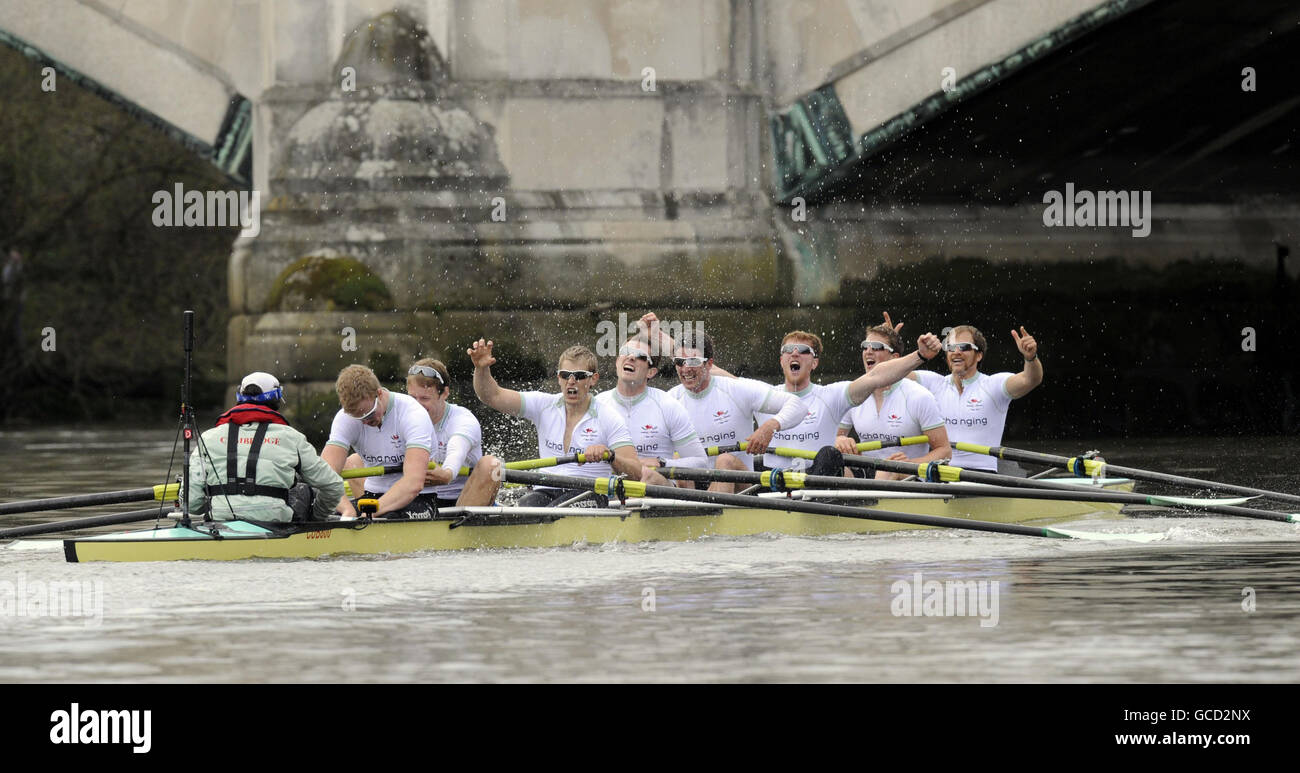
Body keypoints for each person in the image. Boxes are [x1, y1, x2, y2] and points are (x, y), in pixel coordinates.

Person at [468, 339, 641, 507]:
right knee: (522, 510)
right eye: (566, 375)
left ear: (593, 379)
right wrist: (481, 369)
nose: (571, 381)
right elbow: (492, 396)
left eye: (579, 376)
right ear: (559, 377)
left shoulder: (609, 417)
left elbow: (636, 473)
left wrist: (610, 455)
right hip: (545, 490)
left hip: (589, 492)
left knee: (551, 514)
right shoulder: (543, 405)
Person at [752, 329, 944, 475]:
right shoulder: (761, 394)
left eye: (803, 350)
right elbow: (724, 381)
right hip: (773, 481)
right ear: (781, 359)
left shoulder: (831, 395)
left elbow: (876, 377)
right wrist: (839, 439)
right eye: (788, 350)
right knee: (728, 461)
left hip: (815, 482)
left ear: (815, 363)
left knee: (830, 455)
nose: (794, 354)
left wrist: (919, 356)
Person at [188, 372, 345, 523]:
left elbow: (192, 503)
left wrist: (216, 504)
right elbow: (334, 486)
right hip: (275, 522)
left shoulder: (207, 438)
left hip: (221, 519)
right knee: (303, 491)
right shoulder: (292, 437)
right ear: (276, 401)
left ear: (239, 398)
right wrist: (317, 517)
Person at [344, 358, 502, 507]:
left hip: (459, 499)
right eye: (413, 397)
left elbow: (456, 450)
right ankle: (369, 517)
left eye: (425, 398)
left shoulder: (462, 420)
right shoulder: (403, 415)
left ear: (445, 393)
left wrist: (447, 473)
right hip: (418, 498)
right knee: (354, 462)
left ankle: (460, 530)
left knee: (492, 465)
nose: (417, 405)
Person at [663, 331, 808, 492]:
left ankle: (712, 512)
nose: (685, 369)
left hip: (742, 486)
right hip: (694, 485)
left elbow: (798, 406)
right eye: (679, 362)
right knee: (677, 461)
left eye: (693, 361)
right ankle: (693, 511)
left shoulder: (736, 389)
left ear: (709, 364)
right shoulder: (670, 400)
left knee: (724, 460)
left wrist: (769, 427)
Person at [911, 323, 1042, 472]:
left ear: (979, 355)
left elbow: (1030, 379)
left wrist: (1031, 358)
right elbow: (889, 377)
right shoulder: (933, 383)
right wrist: (891, 348)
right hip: (938, 473)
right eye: (951, 347)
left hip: (981, 475)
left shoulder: (993, 385)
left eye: (965, 347)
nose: (957, 352)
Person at [834, 323, 952, 479]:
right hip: (867, 473)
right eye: (865, 346)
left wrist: (908, 465)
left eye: (876, 347)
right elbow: (831, 438)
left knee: (887, 471)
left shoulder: (918, 396)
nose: (868, 351)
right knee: (830, 460)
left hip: (906, 476)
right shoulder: (854, 394)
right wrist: (839, 439)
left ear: (895, 358)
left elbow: (944, 451)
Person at [321, 364, 437, 519]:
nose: (365, 422)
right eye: (358, 418)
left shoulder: (412, 414)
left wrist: (372, 513)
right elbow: (323, 476)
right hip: (372, 496)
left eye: (369, 415)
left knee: (390, 518)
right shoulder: (344, 418)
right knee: (318, 512)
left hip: (419, 498)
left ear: (380, 394)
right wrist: (347, 510)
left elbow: (413, 483)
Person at [595, 337, 709, 488]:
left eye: (641, 356)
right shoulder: (597, 405)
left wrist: (662, 462)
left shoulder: (667, 405)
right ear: (617, 362)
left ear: (651, 372)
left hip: (657, 491)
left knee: (647, 475)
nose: (631, 357)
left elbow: (701, 463)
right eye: (626, 352)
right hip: (610, 488)